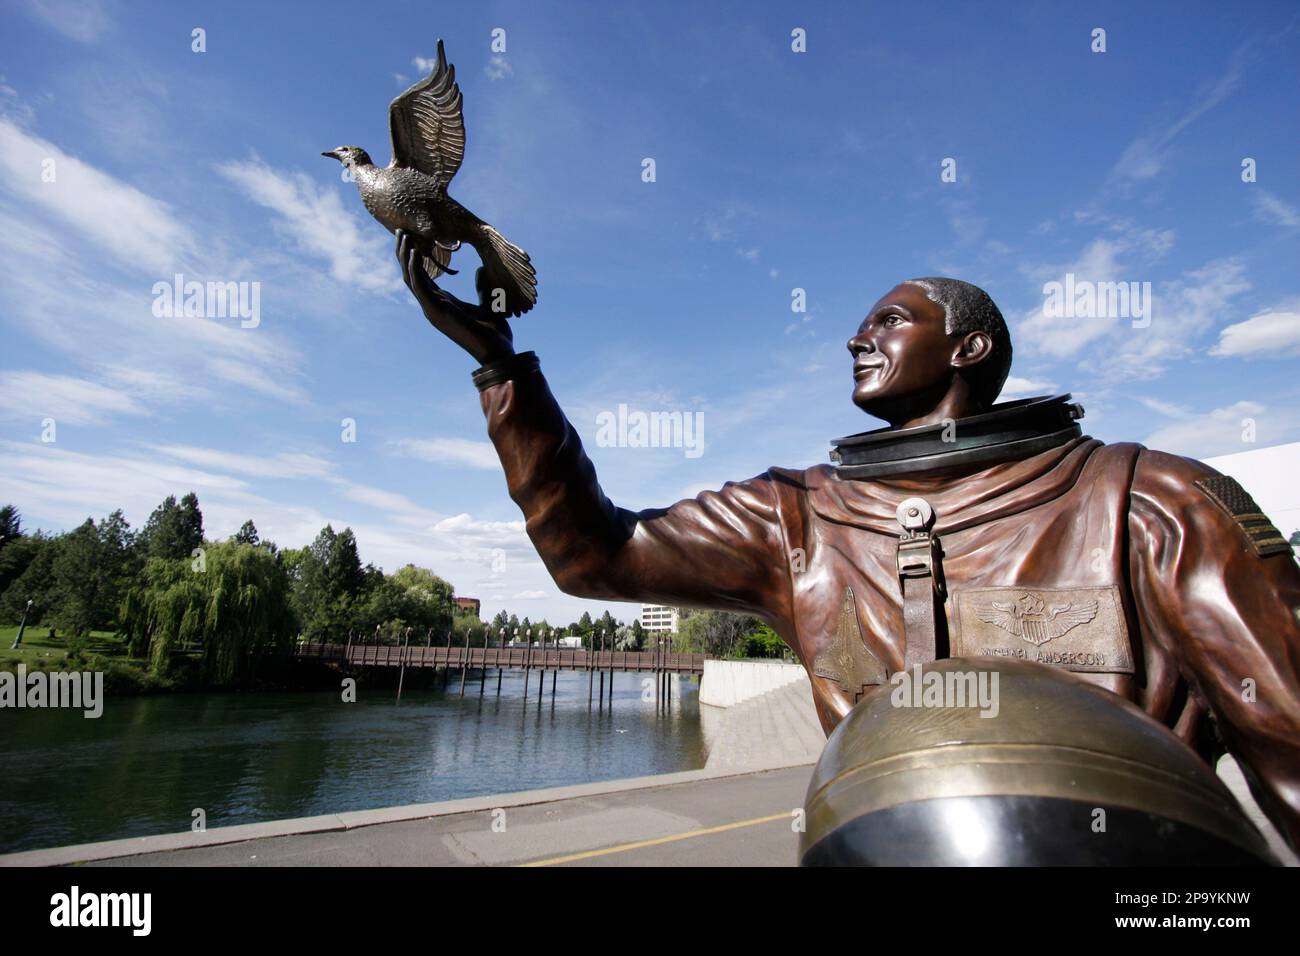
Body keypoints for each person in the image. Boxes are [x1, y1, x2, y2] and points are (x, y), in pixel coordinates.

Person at [393, 231, 1300, 851]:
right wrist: (502, 367)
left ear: (969, 349)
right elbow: (597, 556)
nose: (856, 338)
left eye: (889, 321)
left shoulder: (1156, 503)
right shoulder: (793, 515)